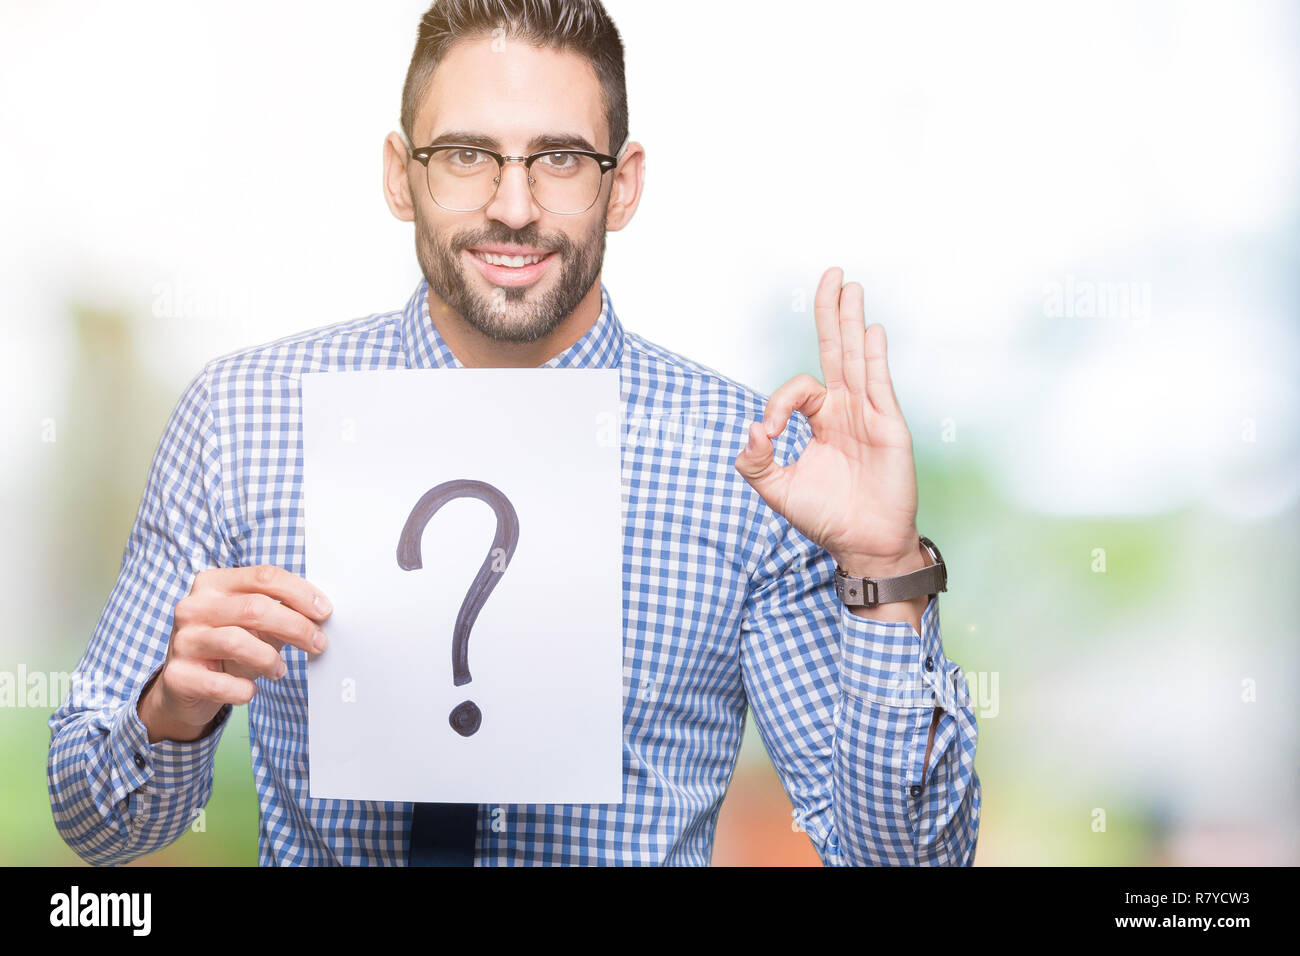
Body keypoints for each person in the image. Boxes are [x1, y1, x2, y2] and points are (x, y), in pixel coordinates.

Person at [48, 0, 980, 866]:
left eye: (561, 158)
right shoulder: (242, 418)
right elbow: (100, 827)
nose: (514, 205)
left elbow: (902, 860)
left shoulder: (748, 464)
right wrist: (171, 709)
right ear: (399, 175)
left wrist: (885, 573)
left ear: (624, 187)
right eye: (466, 155)